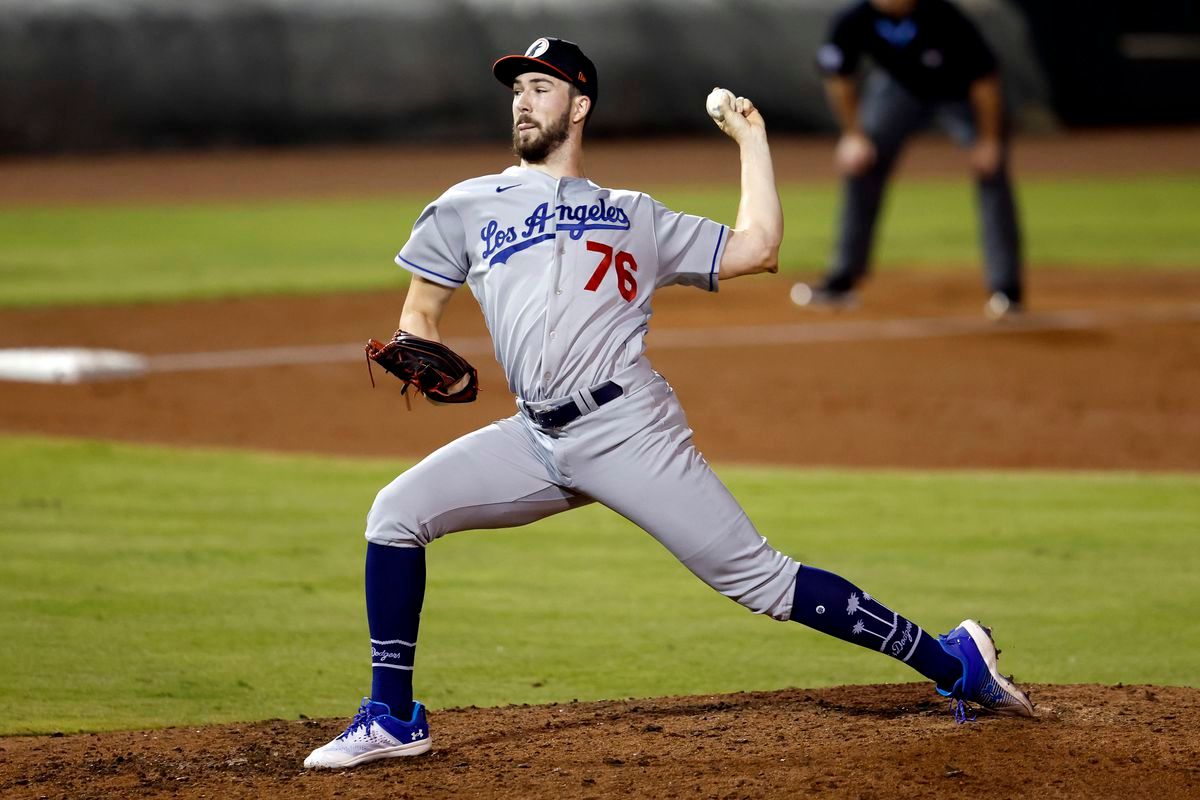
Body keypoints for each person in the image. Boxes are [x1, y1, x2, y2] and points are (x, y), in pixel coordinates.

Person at [303, 36, 1033, 770]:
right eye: (517, 88)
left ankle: (954, 662)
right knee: (395, 515)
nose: (523, 100)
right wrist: (418, 342)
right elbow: (419, 310)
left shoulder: (635, 216)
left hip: (628, 431)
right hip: (534, 438)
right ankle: (394, 716)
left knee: (761, 580)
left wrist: (752, 141)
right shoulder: (465, 205)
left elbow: (758, 247)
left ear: (579, 107)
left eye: (541, 88)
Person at [792, 0, 1024, 319]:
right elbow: (839, 76)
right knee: (861, 164)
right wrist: (853, 135)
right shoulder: (856, 19)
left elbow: (985, 81)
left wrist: (989, 140)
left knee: (992, 169)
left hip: (957, 92)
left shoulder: (944, 17)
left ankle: (1006, 289)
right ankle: (842, 279)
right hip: (899, 89)